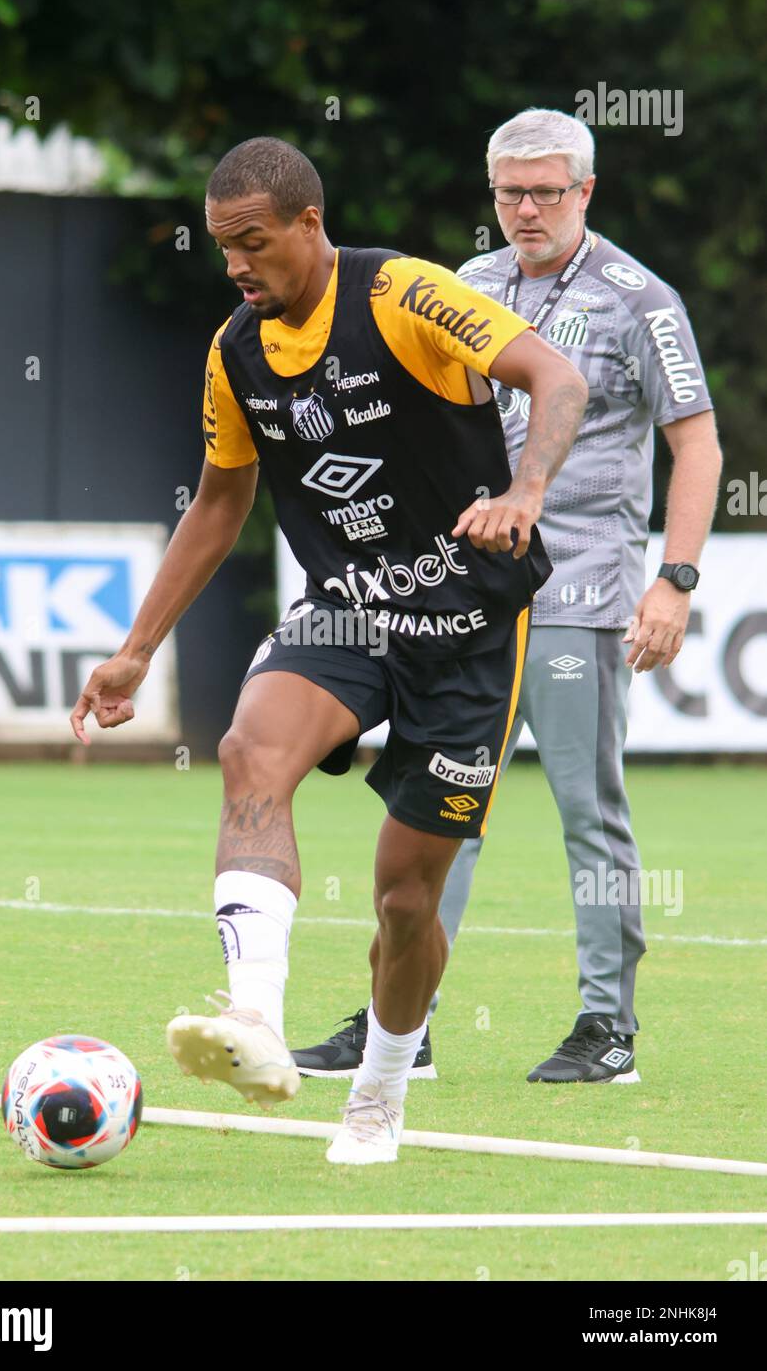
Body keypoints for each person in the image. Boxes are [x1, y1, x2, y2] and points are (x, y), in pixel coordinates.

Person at [71, 135, 587, 1164]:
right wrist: (136, 649)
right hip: (346, 612)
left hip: (468, 628)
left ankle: (378, 1093)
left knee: (404, 897)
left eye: (252, 244)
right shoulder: (235, 352)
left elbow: (552, 374)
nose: (237, 268)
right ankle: (254, 1018)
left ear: (308, 224)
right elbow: (221, 500)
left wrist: (523, 491)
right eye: (224, 251)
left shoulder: (403, 293)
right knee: (248, 752)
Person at [292, 109, 722, 1088]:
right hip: (466, 598)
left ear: (585, 192)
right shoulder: (464, 287)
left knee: (586, 807)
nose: (524, 209)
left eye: (545, 191)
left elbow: (694, 443)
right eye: (508, 191)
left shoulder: (637, 299)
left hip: (578, 592)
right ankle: (403, 1020)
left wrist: (675, 577)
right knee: (440, 803)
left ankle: (605, 1027)